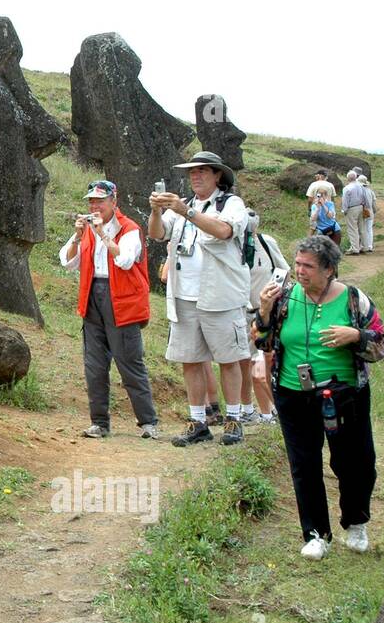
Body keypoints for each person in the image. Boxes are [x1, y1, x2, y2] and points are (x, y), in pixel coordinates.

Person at [255, 235, 384, 560]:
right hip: (291, 394)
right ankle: (316, 534)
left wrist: (356, 336)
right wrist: (263, 311)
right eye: (297, 264)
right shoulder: (284, 298)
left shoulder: (354, 300)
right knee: (304, 464)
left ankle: (356, 522)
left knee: (355, 463)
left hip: (343, 396)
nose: (300, 271)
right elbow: (262, 341)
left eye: (308, 266)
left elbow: (382, 344)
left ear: (329, 270)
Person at [149, 151, 253, 447]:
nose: (195, 176)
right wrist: (156, 211)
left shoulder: (231, 204)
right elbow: (156, 234)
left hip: (220, 296)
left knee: (229, 358)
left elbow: (223, 231)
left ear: (217, 175)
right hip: (183, 295)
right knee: (190, 360)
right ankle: (198, 421)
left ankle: (233, 419)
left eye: (202, 171)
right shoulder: (184, 204)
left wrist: (186, 212)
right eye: (191, 171)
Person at [60, 179, 159, 439]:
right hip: (93, 296)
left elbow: (125, 260)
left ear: (114, 202)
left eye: (100, 201)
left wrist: (102, 232)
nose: (95, 206)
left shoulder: (130, 229)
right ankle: (99, 423)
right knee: (94, 364)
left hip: (122, 302)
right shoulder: (88, 228)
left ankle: (148, 422)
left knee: (129, 362)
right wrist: (79, 236)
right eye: (92, 201)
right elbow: (67, 262)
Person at [240, 209, 287, 425]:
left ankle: (278, 412)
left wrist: (272, 300)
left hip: (265, 315)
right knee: (243, 364)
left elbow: (283, 271)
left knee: (262, 369)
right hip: (240, 313)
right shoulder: (229, 246)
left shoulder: (266, 242)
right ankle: (252, 410)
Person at [340, 170, 368, 254]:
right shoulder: (361, 186)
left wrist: (344, 210)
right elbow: (365, 197)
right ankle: (365, 247)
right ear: (356, 177)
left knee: (352, 229)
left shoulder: (347, 188)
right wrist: (364, 207)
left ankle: (355, 248)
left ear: (347, 178)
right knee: (362, 228)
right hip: (361, 207)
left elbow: (345, 201)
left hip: (351, 208)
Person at [357, 175, 376, 252]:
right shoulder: (370, 191)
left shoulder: (359, 191)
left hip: (362, 212)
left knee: (362, 229)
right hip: (370, 212)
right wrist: (374, 211)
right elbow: (374, 204)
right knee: (369, 229)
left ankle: (362, 245)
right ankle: (370, 245)